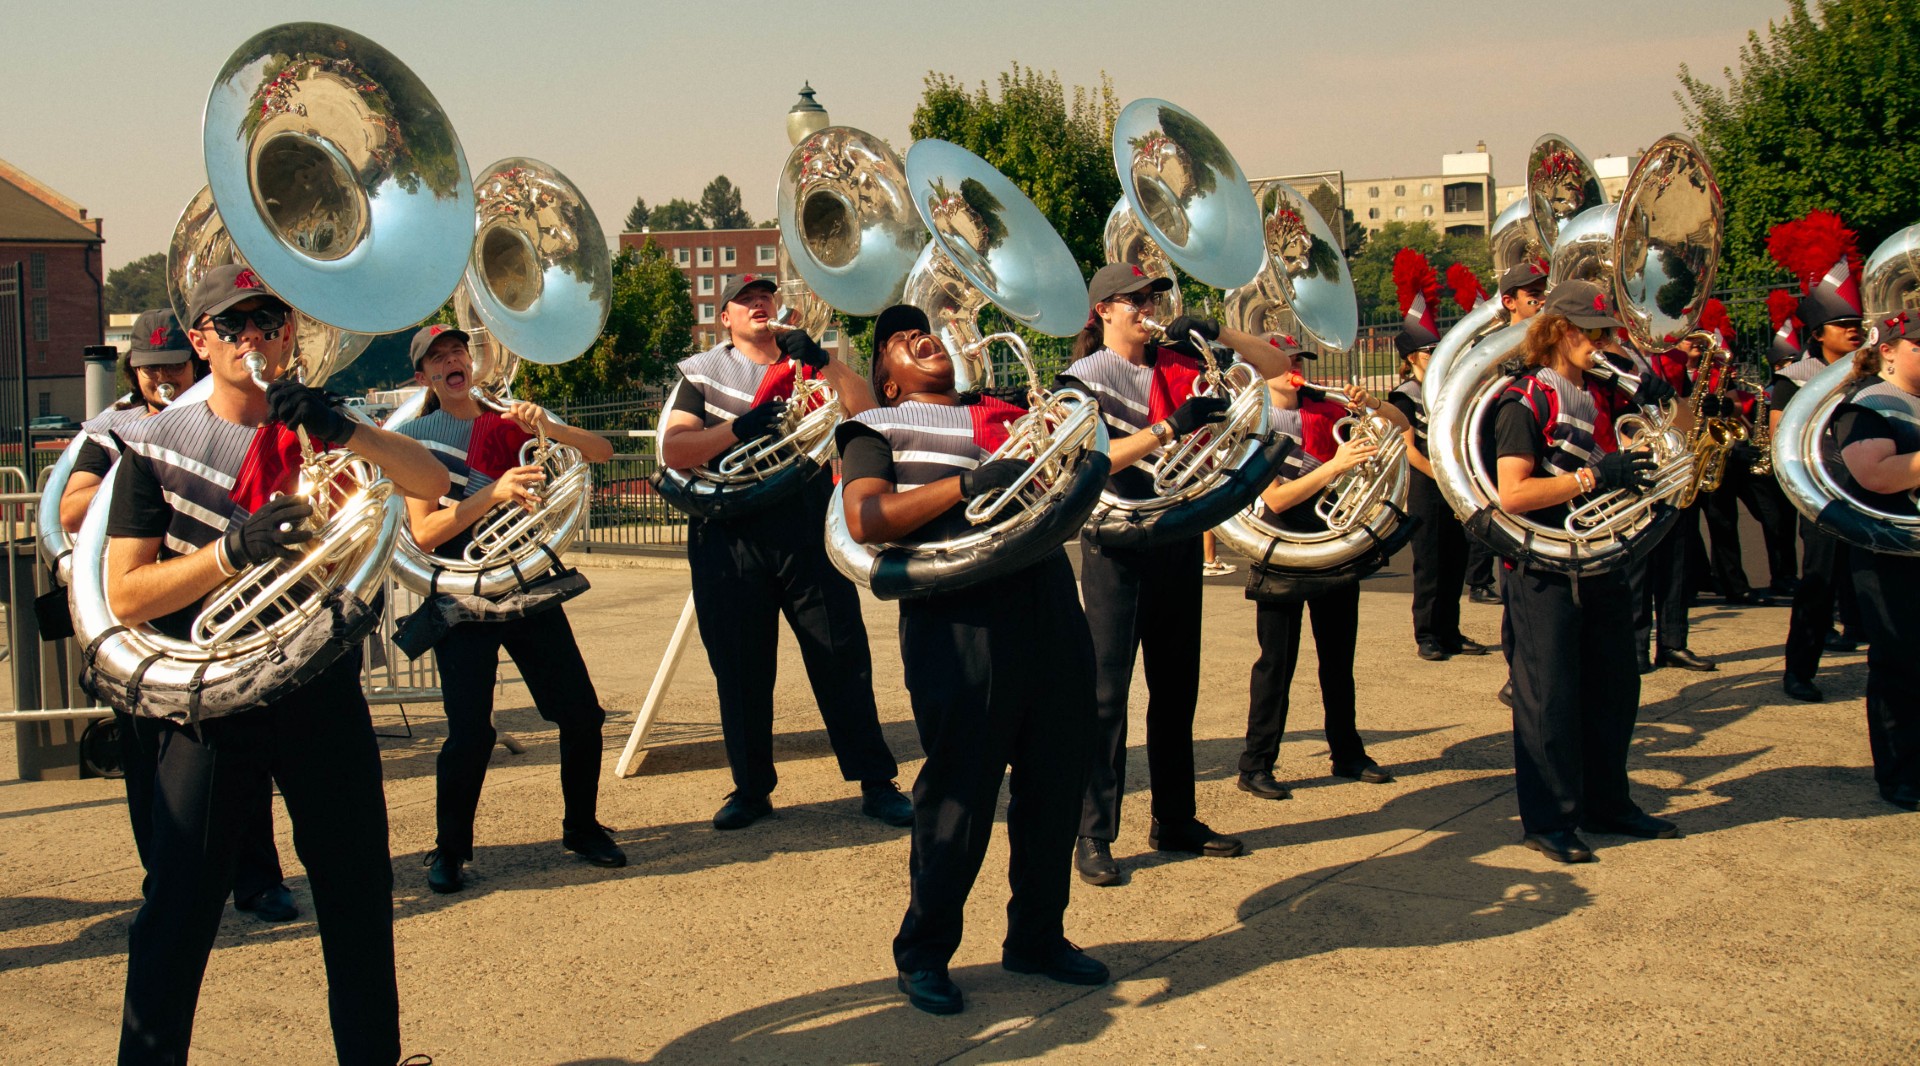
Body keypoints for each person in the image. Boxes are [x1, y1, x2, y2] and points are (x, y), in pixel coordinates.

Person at [106, 265, 449, 1064]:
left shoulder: (327, 426)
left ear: (290, 331)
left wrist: (348, 431)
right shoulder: (157, 448)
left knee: (358, 896)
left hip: (320, 688)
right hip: (215, 698)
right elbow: (126, 594)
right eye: (233, 327)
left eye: (268, 322)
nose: (253, 339)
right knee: (179, 906)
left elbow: (431, 484)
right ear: (201, 341)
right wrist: (230, 551)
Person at [838, 304, 1106, 1016]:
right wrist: (964, 485)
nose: (920, 335)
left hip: (1048, 603)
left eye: (925, 327)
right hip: (957, 618)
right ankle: (924, 952)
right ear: (888, 382)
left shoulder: (1012, 409)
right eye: (899, 339)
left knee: (1056, 784)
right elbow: (866, 517)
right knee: (959, 796)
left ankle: (1037, 938)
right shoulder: (876, 427)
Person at [1059, 263, 1296, 886]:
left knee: (1175, 690)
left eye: (1153, 298)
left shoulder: (1183, 364)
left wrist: (1218, 331)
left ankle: (1176, 819)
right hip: (1115, 542)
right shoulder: (1083, 378)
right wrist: (1170, 427)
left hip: (1176, 538)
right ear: (1103, 310)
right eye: (1134, 300)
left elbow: (1275, 371)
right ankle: (1093, 833)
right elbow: (1092, 458)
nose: (1147, 307)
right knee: (1107, 697)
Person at [60, 309, 299, 925]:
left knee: (241, 752)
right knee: (154, 769)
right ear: (132, 371)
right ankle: (167, 881)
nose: (162, 376)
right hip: (149, 616)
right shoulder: (108, 428)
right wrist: (149, 455)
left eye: (172, 365)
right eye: (149, 368)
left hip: (230, 603)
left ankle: (257, 879)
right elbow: (69, 510)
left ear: (192, 361)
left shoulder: (226, 413)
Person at [658, 275, 912, 830]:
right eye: (745, 299)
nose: (759, 304)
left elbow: (870, 415)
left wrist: (823, 361)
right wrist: (738, 428)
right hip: (729, 534)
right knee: (741, 670)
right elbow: (675, 450)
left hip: (805, 524)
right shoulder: (699, 371)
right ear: (724, 316)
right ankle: (750, 790)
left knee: (841, 654)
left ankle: (876, 780)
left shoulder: (809, 362)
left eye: (765, 297)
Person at [394, 324, 624, 893]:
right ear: (423, 376)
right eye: (438, 358)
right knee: (469, 733)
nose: (453, 361)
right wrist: (492, 493)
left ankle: (583, 827)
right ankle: (450, 850)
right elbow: (423, 533)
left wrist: (546, 426)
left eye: (458, 352)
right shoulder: (415, 437)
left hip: (526, 580)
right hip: (462, 592)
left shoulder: (510, 418)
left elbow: (601, 452)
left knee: (581, 715)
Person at [1492, 279, 1680, 864]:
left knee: (1615, 689)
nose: (1606, 345)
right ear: (1563, 332)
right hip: (1542, 564)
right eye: (1596, 334)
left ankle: (1609, 803)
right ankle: (1550, 819)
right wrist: (1596, 477)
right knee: (1551, 697)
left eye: (1608, 334)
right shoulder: (1524, 398)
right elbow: (1513, 494)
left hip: (1601, 556)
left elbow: (1678, 441)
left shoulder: (1605, 394)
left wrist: (1668, 396)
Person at [1238, 355, 1409, 801]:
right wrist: (1335, 465)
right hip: (1281, 547)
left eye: (1296, 360)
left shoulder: (1323, 406)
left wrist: (1370, 403)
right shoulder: (1252, 420)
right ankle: (1256, 763)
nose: (1293, 368)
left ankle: (1347, 753)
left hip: (1333, 543)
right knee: (1276, 664)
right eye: (1282, 361)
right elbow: (1274, 498)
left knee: (1338, 660)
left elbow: (1399, 426)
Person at [1767, 213, 1869, 702]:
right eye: (1844, 326)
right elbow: (1779, 439)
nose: (1854, 333)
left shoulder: (1876, 372)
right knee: (1818, 584)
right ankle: (1798, 670)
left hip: (1871, 486)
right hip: (1823, 493)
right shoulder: (1795, 378)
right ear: (1819, 333)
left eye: (1857, 325)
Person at [1833, 313, 1920, 811]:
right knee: (1901, 664)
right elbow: (1876, 476)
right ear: (1888, 348)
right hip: (1893, 554)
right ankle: (1901, 775)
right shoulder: (1870, 404)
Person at [1390, 250, 1490, 661]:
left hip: (1452, 483)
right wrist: (1441, 475)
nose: (1437, 357)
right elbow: (1407, 448)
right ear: (1411, 358)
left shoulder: (1448, 390)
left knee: (1456, 558)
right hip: (1428, 487)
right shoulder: (1403, 396)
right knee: (1430, 564)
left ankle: (1450, 630)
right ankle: (1427, 633)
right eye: (1429, 352)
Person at [1465, 260, 1550, 604]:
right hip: (1501, 448)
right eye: (1533, 295)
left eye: (1543, 294)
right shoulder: (1491, 345)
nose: (1541, 301)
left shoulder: (1552, 341)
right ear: (1509, 301)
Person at [1632, 337, 1715, 672]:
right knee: (1639, 565)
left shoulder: (1678, 361)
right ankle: (1636, 646)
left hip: (1677, 464)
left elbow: (1684, 412)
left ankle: (1673, 643)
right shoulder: (1619, 355)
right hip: (1640, 463)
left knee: (1676, 562)